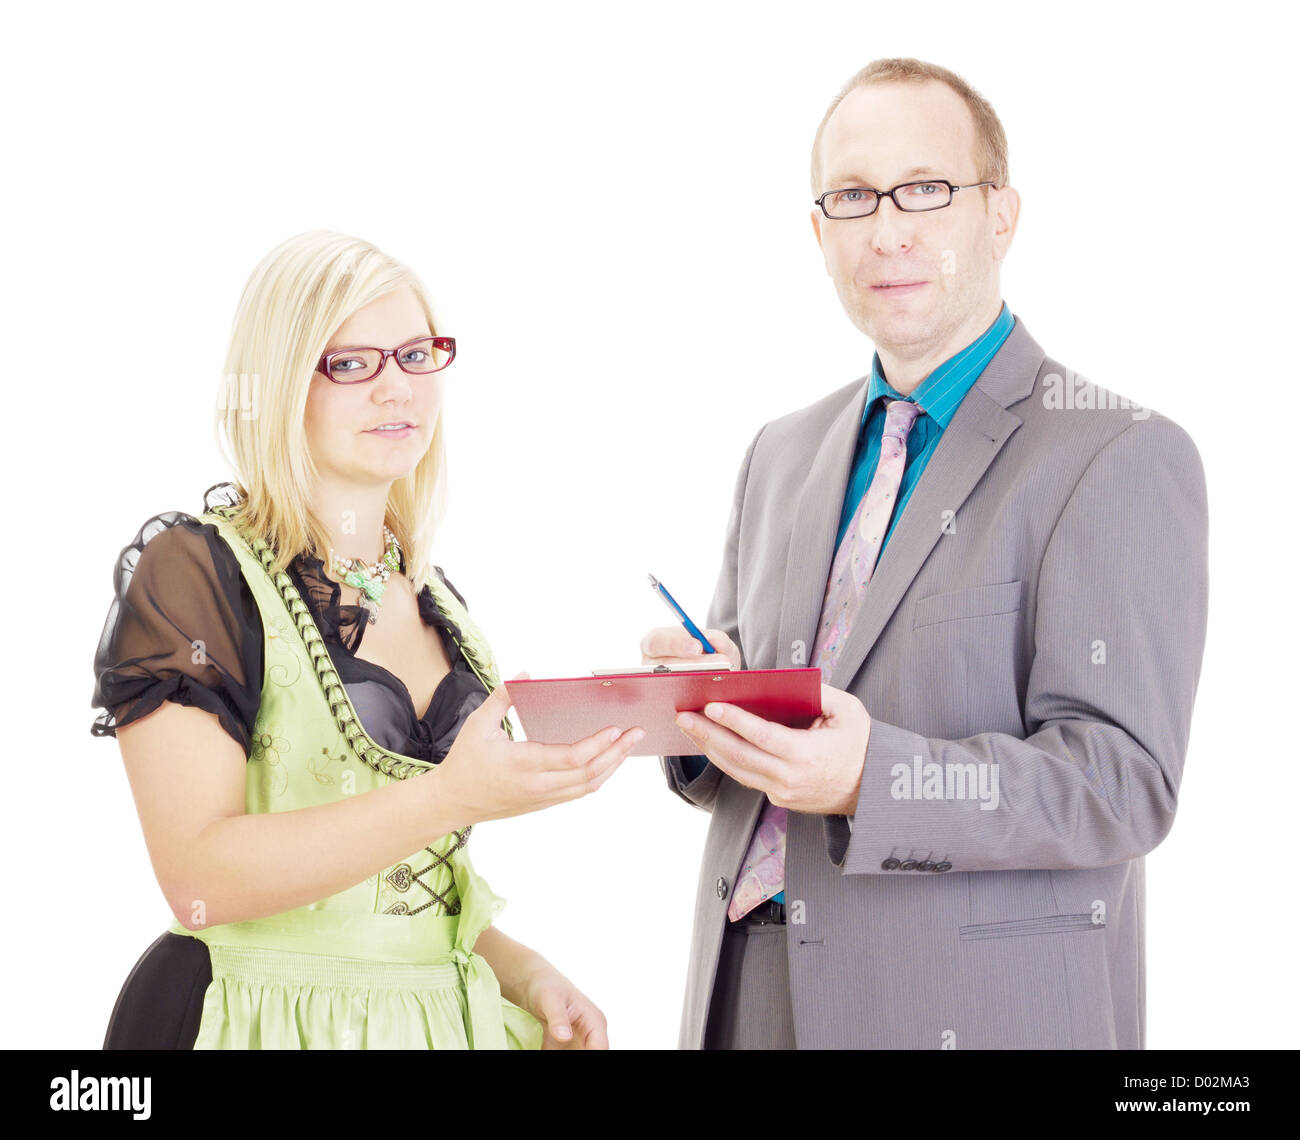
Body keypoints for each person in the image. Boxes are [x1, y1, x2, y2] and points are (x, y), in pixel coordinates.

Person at [641, 58, 1209, 1049]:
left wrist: (877, 780)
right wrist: (705, 709)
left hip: (963, 1013)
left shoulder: (1115, 453)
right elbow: (756, 751)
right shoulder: (780, 453)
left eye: (925, 190)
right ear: (817, 233)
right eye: (853, 197)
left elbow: (1122, 784)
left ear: (1001, 216)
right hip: (748, 997)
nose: (887, 229)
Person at [91, 228, 643, 1049]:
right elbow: (197, 876)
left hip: (426, 1024)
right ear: (278, 386)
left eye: (417, 355)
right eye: (352, 363)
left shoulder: (434, 597)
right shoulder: (195, 574)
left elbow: (387, 898)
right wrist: (452, 795)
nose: (398, 390)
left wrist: (524, 970)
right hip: (253, 1019)